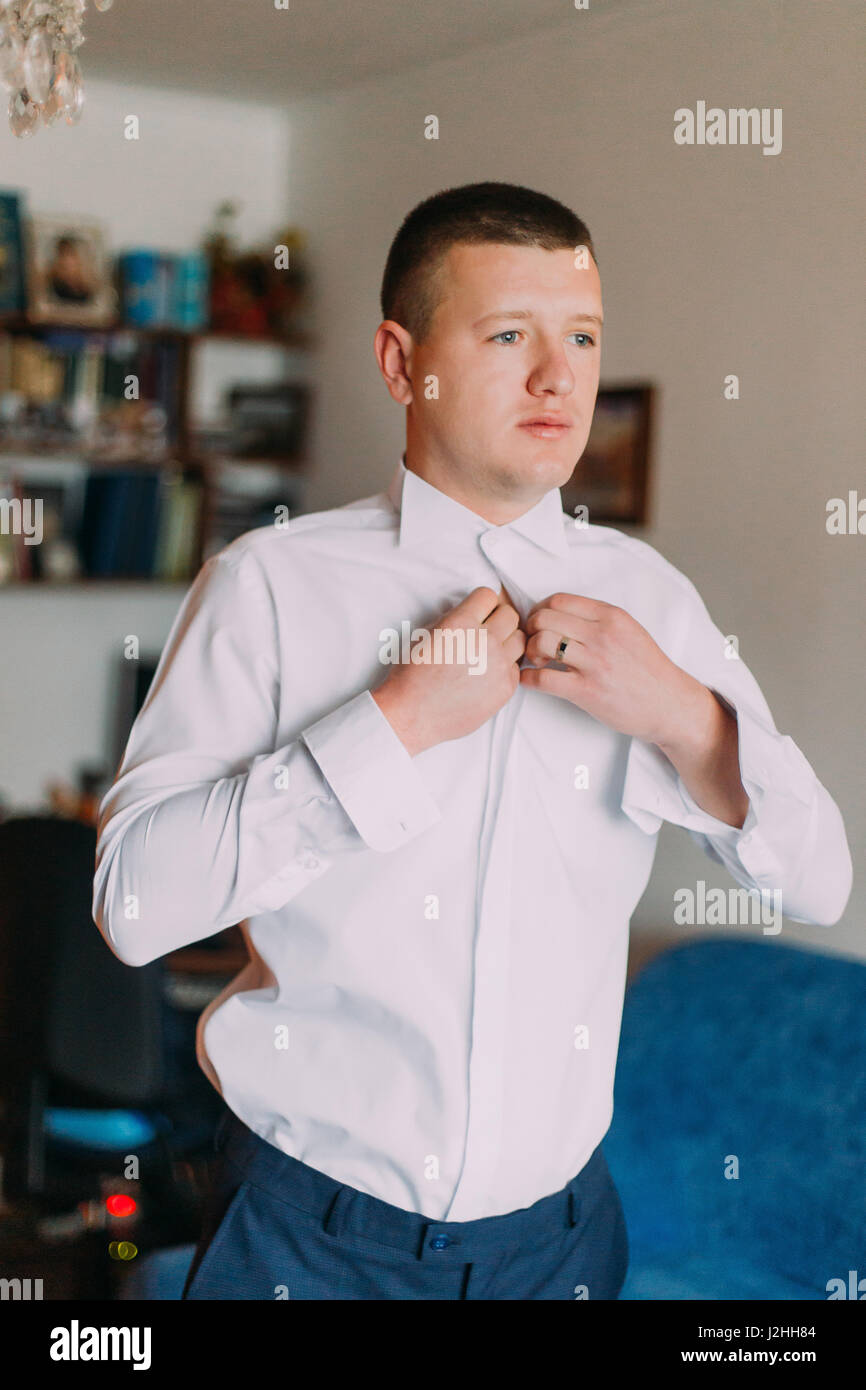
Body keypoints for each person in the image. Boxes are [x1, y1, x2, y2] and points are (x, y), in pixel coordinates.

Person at [92, 181, 852, 1301]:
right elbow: (133, 907)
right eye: (508, 334)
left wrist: (681, 716)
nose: (559, 376)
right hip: (306, 1236)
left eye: (581, 337)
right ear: (401, 363)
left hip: (560, 1245)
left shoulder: (654, 603)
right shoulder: (269, 586)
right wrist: (389, 728)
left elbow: (821, 881)